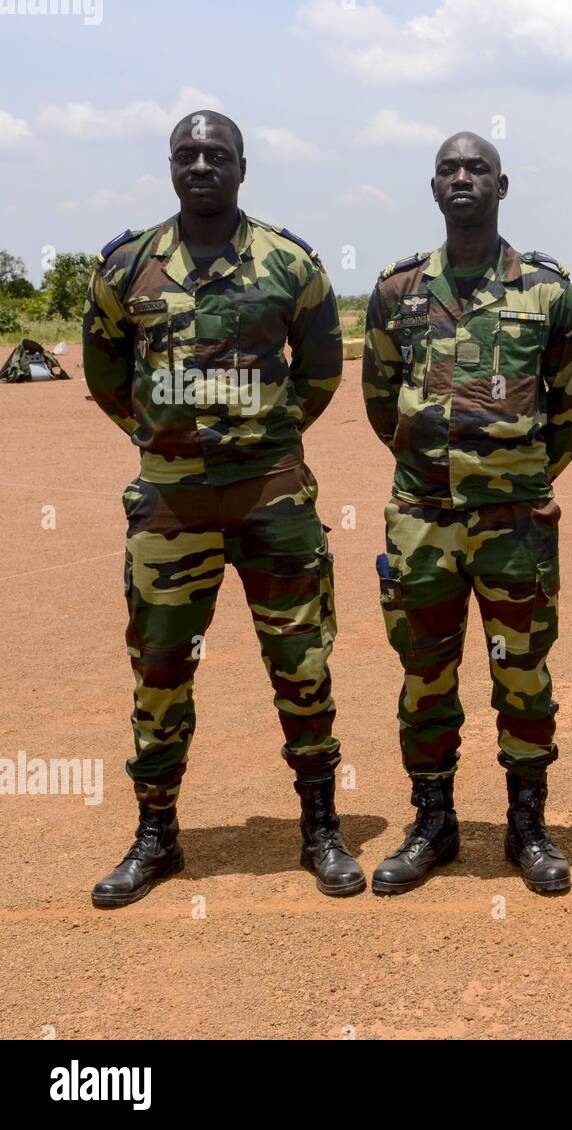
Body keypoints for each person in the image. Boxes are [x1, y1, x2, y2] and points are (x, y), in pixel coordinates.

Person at [84, 110, 357, 907]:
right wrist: (159, 437)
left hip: (272, 498)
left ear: (244, 166)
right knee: (161, 669)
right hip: (171, 505)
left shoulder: (289, 263)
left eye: (217, 154)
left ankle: (321, 828)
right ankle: (156, 836)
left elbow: (319, 371)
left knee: (301, 664)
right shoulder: (127, 266)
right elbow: (107, 374)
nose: (201, 164)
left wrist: (263, 440)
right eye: (187, 154)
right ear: (171, 167)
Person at [362, 132, 572, 895]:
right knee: (424, 674)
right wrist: (430, 463)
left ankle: (528, 825)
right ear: (434, 190)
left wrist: (521, 472)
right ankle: (433, 823)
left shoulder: (546, 290)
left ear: (503, 185)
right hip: (422, 517)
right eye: (448, 170)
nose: (462, 179)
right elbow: (378, 397)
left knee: (522, 672)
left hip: (516, 523)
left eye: (477, 170)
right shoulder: (398, 291)